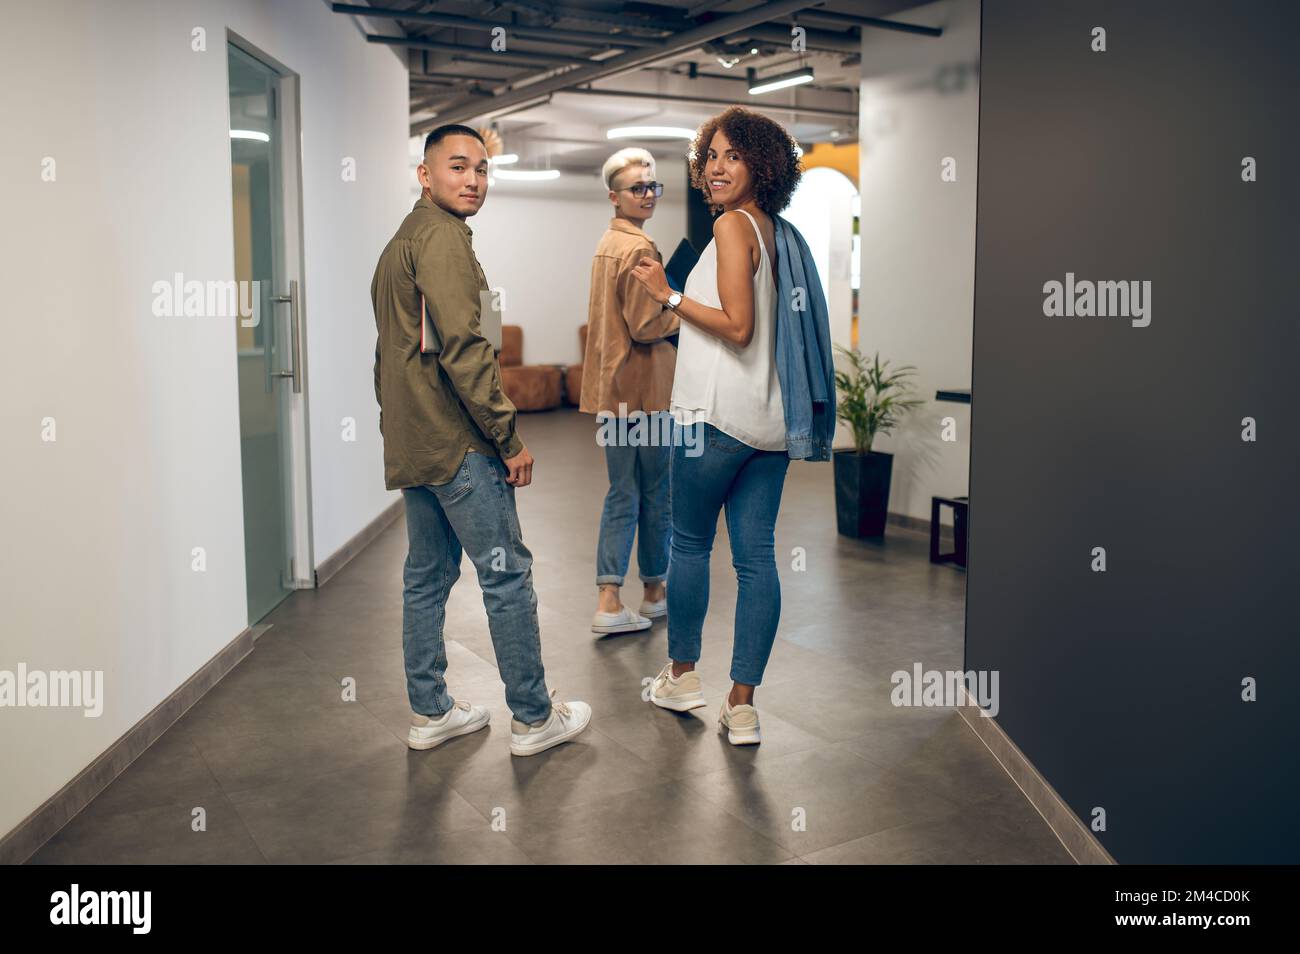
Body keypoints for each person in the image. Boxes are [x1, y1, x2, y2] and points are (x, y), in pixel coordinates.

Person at [371, 123, 591, 757]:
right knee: (506, 576)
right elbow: (467, 350)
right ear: (425, 174)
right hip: (459, 441)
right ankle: (532, 718)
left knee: (426, 576)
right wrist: (507, 435)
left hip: (416, 442)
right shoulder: (440, 239)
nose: (473, 181)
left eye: (483, 170)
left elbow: (390, 353)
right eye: (458, 167)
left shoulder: (402, 242)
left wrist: (399, 424)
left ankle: (431, 711)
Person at [631, 106, 835, 745]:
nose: (717, 168)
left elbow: (738, 327)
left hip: (711, 419)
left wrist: (664, 293)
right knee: (755, 562)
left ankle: (683, 677)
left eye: (733, 156)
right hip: (770, 425)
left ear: (762, 166)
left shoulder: (730, 229)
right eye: (711, 156)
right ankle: (741, 706)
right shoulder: (780, 234)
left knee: (688, 545)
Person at [581, 147, 681, 636]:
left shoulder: (606, 243)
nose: (647, 195)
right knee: (656, 493)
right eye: (637, 188)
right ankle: (654, 592)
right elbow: (645, 326)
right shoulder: (640, 249)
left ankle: (609, 598)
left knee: (622, 491)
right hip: (645, 392)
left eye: (652, 186)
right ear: (613, 196)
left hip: (614, 392)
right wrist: (681, 306)